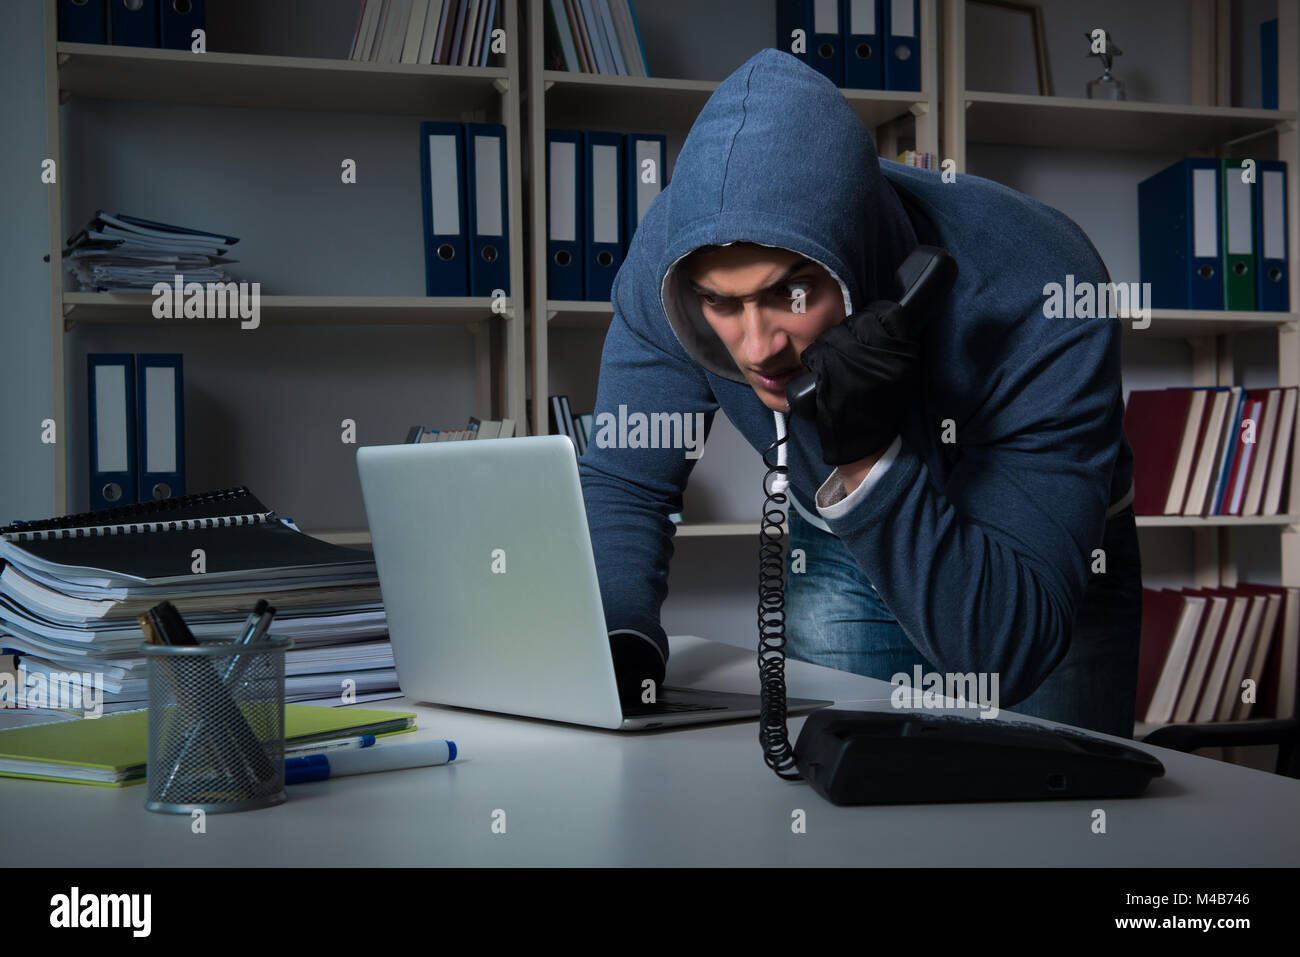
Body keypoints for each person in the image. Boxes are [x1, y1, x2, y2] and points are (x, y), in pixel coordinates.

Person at [580, 48, 1141, 738]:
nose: (756, 348)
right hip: (842, 536)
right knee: (843, 809)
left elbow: (1004, 654)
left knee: (1048, 825)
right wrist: (619, 650)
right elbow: (627, 483)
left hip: (1037, 557)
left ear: (863, 258)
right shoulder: (669, 270)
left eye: (789, 292)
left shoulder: (1046, 287)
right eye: (722, 304)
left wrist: (870, 450)